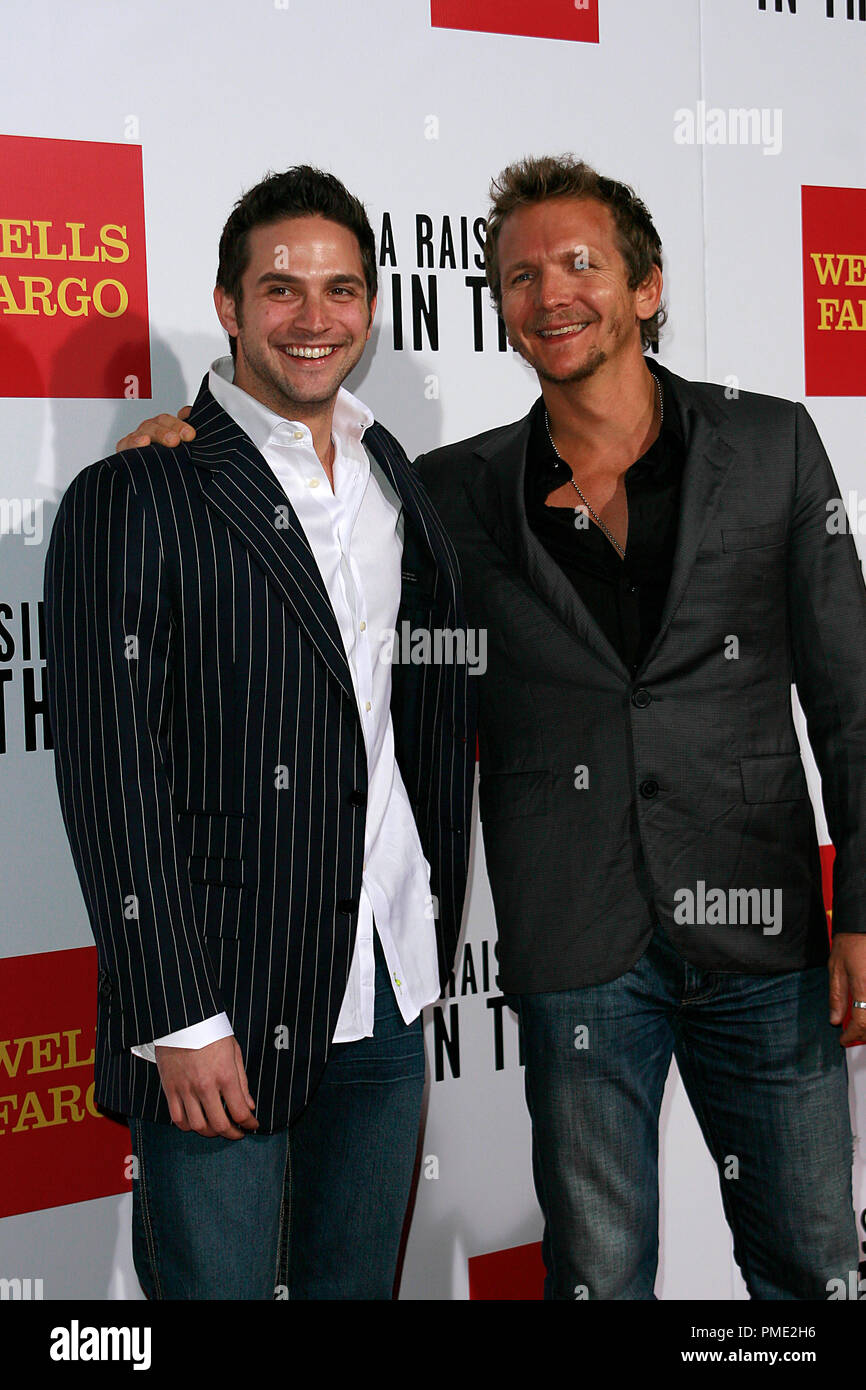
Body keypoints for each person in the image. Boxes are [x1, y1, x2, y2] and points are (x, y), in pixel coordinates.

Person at [122, 153, 866, 1302]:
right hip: (576, 949)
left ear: (646, 286)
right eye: (519, 275)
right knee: (597, 1273)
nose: (550, 293)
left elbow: (848, 691)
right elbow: (297, 530)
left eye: (579, 264)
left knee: (813, 1267)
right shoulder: (443, 492)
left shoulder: (768, 446)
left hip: (765, 934)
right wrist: (184, 440)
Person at [44, 166, 474, 1301]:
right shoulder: (138, 491)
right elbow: (110, 775)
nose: (313, 317)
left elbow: (412, 712)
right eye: (279, 288)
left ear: (373, 309)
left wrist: (427, 923)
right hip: (222, 998)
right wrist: (173, 1013)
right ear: (229, 306)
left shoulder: (395, 481)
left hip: (386, 983)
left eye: (340, 289)